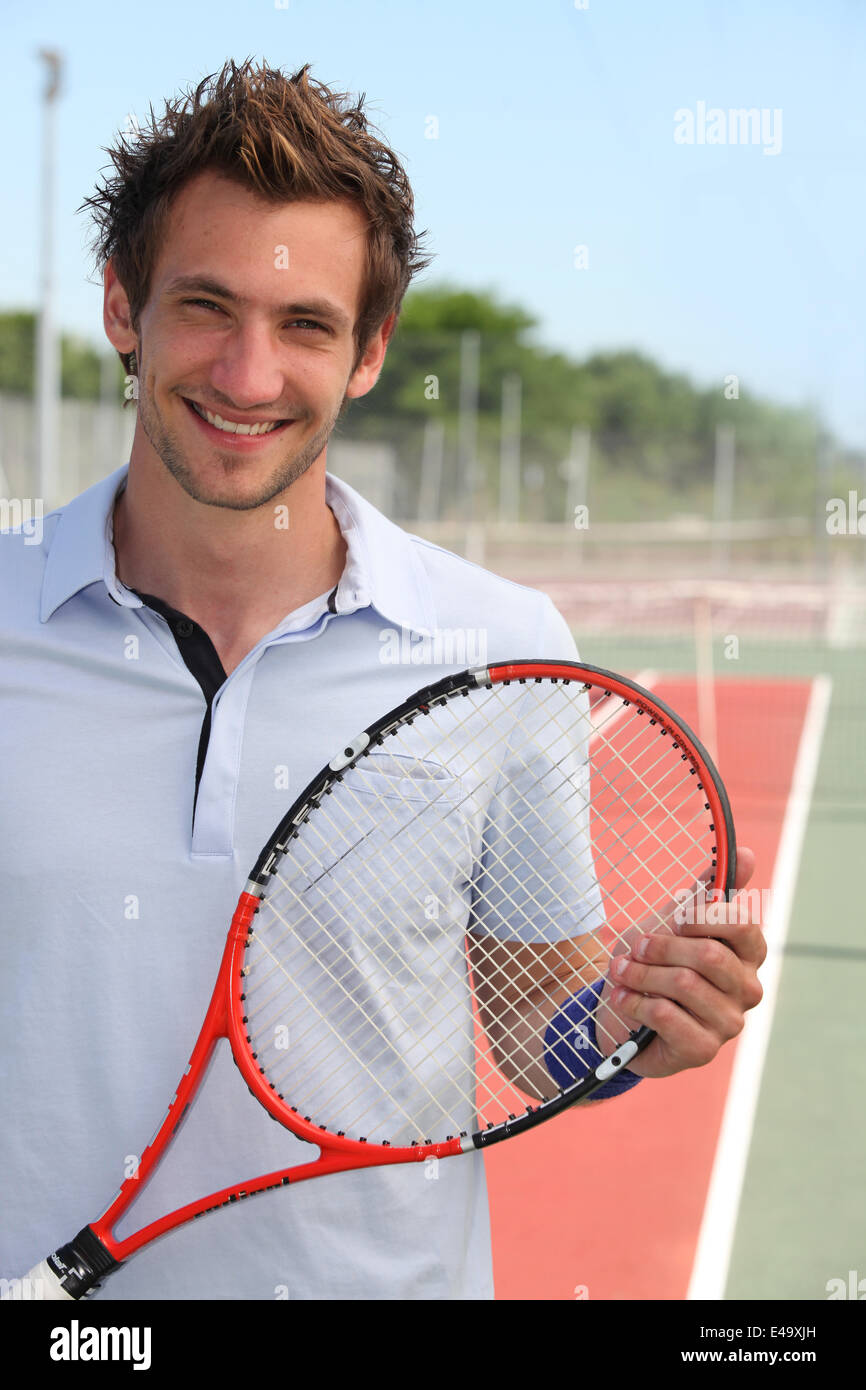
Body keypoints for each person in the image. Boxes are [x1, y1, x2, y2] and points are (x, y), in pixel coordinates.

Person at [0, 59, 765, 1300]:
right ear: (120, 307)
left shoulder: (499, 643)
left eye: (304, 324)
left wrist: (629, 1021)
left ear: (367, 352)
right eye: (205, 307)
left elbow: (535, 1019)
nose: (249, 376)